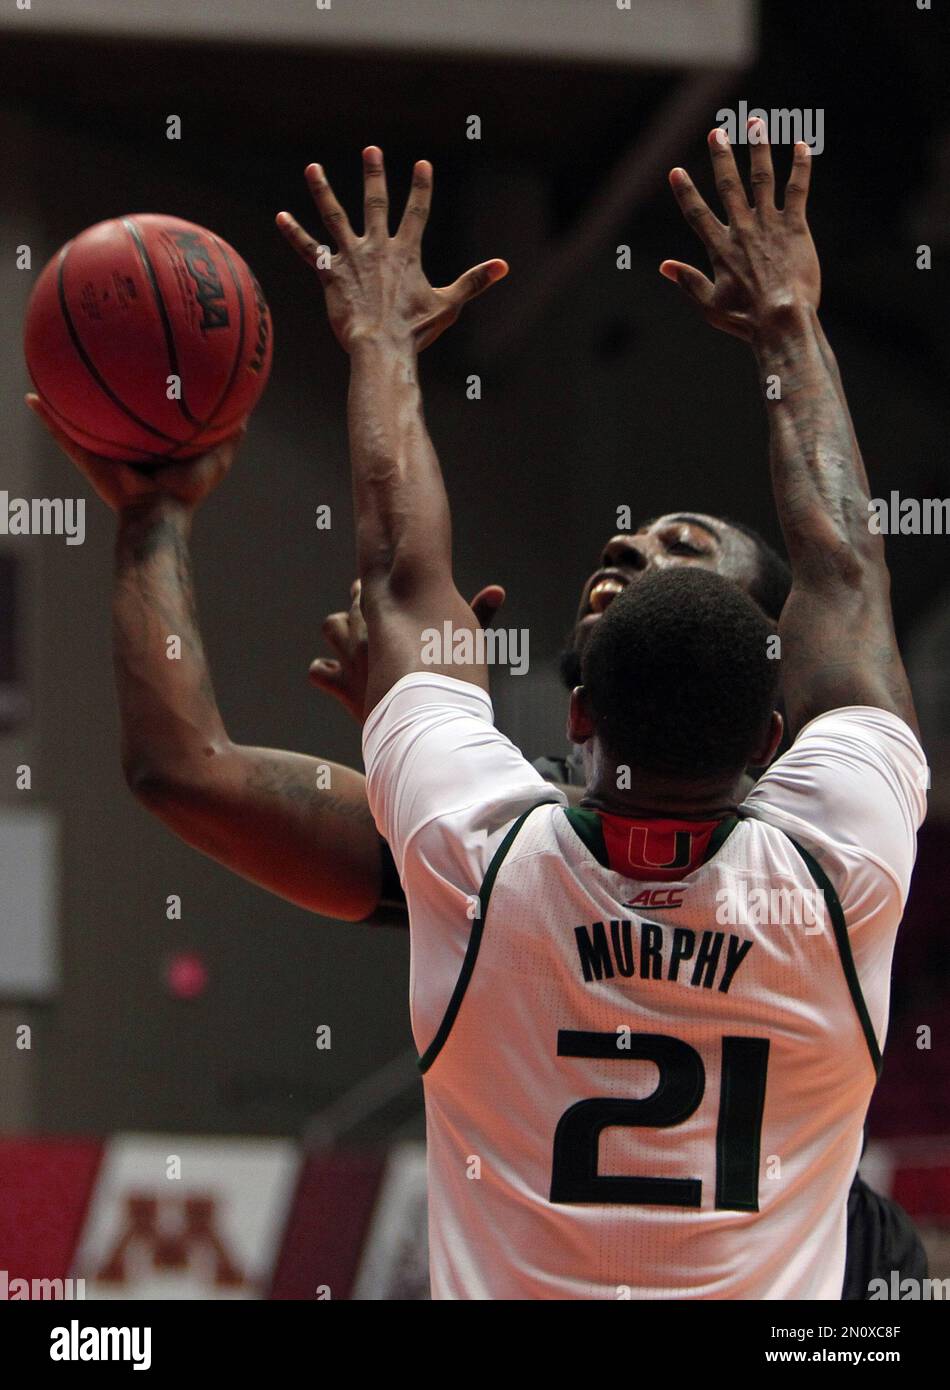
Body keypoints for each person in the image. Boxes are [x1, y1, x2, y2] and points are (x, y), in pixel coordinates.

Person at [272, 126, 927, 1297]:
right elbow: (845, 571)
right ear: (772, 740)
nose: (629, 547)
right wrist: (788, 322)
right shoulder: (842, 868)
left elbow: (401, 573)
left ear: (580, 714)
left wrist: (379, 347)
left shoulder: (478, 848)